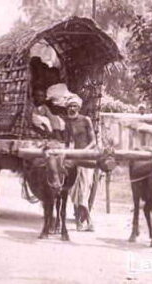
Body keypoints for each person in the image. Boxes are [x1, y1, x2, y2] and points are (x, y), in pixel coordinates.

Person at [65, 95, 96, 232]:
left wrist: (84, 152)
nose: (72, 108)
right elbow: (67, 142)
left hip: (87, 159)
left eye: (74, 106)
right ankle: (80, 222)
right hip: (75, 160)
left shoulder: (86, 120)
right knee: (74, 191)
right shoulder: (68, 123)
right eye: (69, 106)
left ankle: (88, 221)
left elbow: (93, 141)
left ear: (79, 107)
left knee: (83, 192)